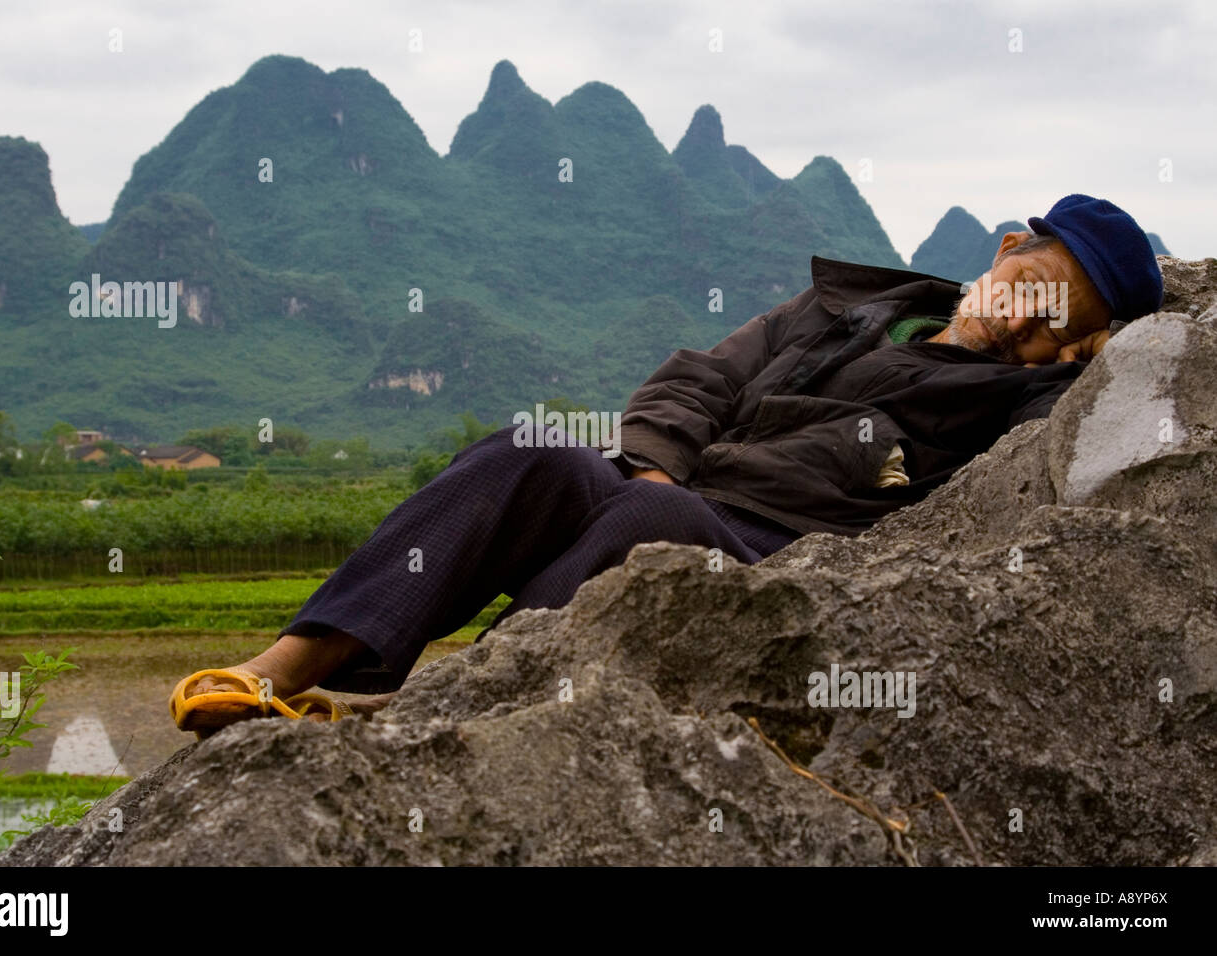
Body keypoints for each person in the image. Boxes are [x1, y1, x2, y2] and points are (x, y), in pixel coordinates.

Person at [169, 193, 1164, 735]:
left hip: (775, 545)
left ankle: (434, 708)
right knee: (533, 452)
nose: (1025, 319)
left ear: (1073, 351)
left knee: (662, 535)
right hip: (674, 485)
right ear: (1002, 249)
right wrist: (648, 465)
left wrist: (1078, 363)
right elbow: (696, 380)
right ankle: (280, 670)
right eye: (1030, 286)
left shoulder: (1024, 403)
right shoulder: (842, 309)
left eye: (1055, 326)